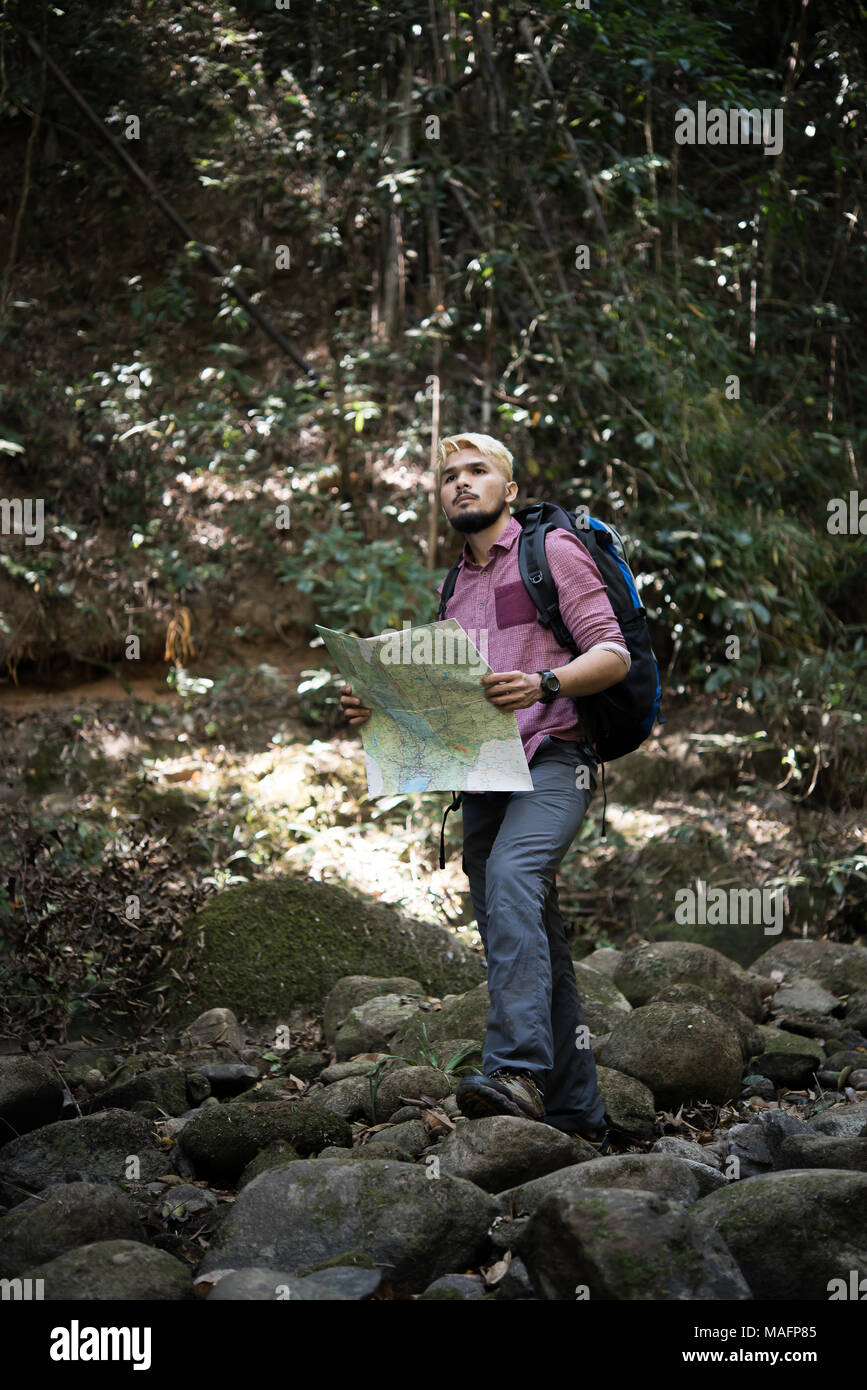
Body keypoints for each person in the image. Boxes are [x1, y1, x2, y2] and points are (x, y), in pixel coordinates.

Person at [340, 432, 630, 1149]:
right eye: (448, 477)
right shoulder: (454, 585)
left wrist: (544, 682)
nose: (461, 485)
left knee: (510, 876)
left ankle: (515, 1071)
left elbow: (612, 653)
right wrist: (380, 705)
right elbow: (449, 698)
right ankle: (575, 1111)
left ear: (508, 486)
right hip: (482, 775)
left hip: (556, 757)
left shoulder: (550, 553)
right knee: (533, 929)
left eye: (477, 472)